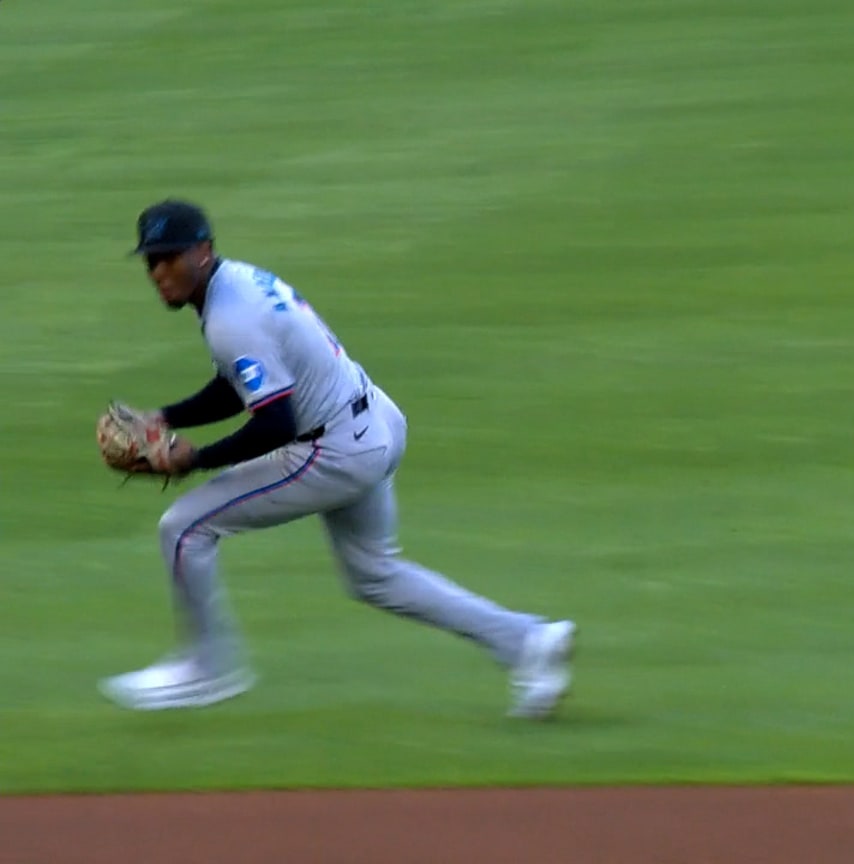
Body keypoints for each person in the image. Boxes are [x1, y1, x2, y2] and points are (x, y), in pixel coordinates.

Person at [98, 199, 574, 719]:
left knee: (183, 528)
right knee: (374, 574)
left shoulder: (231, 318)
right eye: (152, 260)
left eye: (171, 257)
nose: (159, 272)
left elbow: (276, 424)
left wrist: (195, 460)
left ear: (204, 252)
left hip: (334, 451)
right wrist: (165, 417)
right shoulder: (237, 284)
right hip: (373, 421)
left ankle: (206, 667)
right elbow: (242, 384)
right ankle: (527, 642)